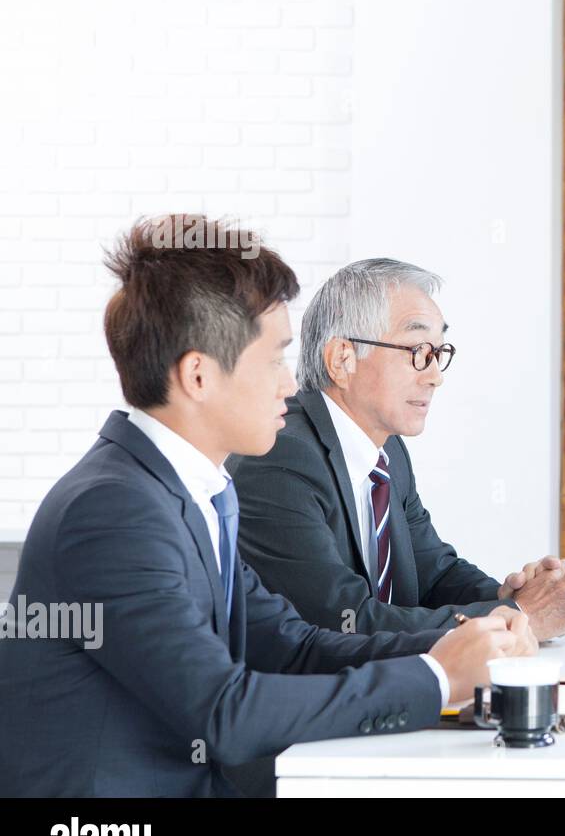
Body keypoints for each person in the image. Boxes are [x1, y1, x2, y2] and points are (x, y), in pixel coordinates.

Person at [0, 217, 531, 797]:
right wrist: (435, 679)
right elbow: (223, 712)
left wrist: (466, 642)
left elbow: (292, 643)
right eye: (275, 359)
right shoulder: (112, 510)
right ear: (198, 375)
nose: (289, 384)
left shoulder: (202, 491)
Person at [228, 259, 565, 642]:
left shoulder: (388, 452)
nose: (435, 376)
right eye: (418, 350)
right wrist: (518, 617)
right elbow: (342, 620)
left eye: (439, 353)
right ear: (342, 359)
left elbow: (433, 573)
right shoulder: (279, 456)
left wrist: (511, 596)